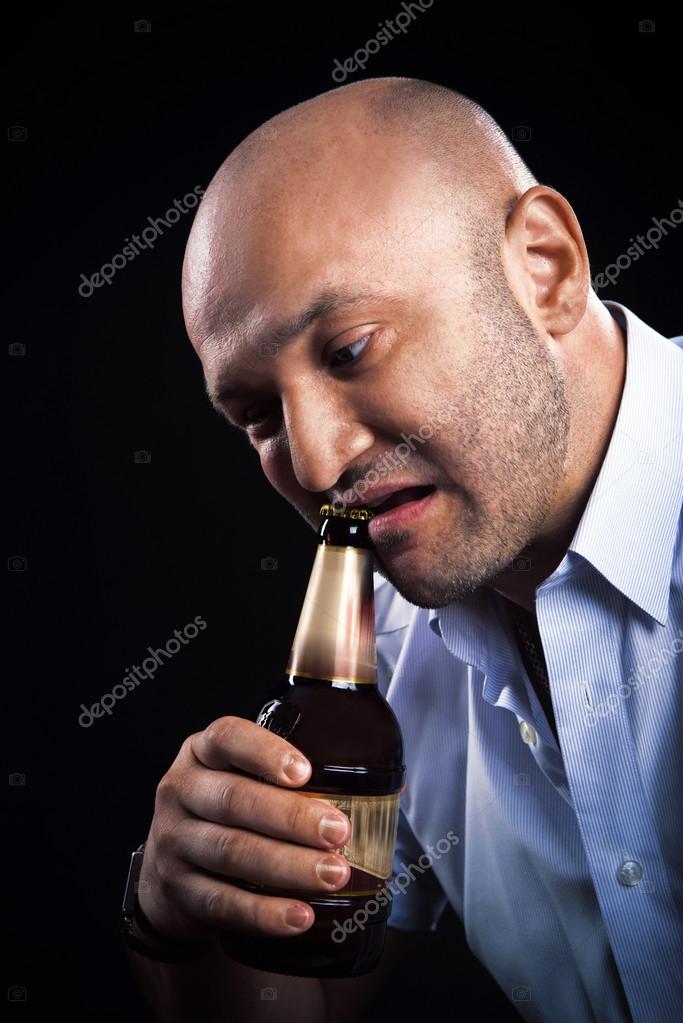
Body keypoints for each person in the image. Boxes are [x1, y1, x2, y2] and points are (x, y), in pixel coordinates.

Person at [126, 76, 683, 1022]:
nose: (312, 460)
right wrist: (177, 915)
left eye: (349, 350)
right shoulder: (382, 648)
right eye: (257, 414)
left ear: (543, 267)